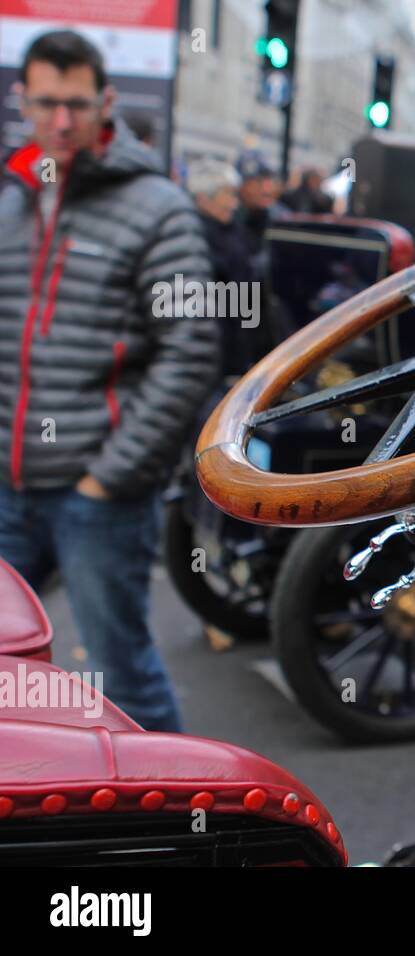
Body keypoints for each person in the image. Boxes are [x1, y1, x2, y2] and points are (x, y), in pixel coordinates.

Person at [0, 30, 218, 730]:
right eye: (46, 103)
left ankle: (179, 828)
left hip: (98, 495)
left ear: (107, 102)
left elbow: (190, 351)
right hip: (8, 484)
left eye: (76, 103)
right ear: (22, 101)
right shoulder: (13, 195)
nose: (61, 121)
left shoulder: (159, 206)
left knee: (124, 676)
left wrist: (111, 476)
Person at [186, 157, 261, 376]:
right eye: (227, 195)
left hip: (238, 342)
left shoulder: (233, 229)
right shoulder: (192, 235)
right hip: (213, 351)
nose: (234, 203)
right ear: (203, 199)